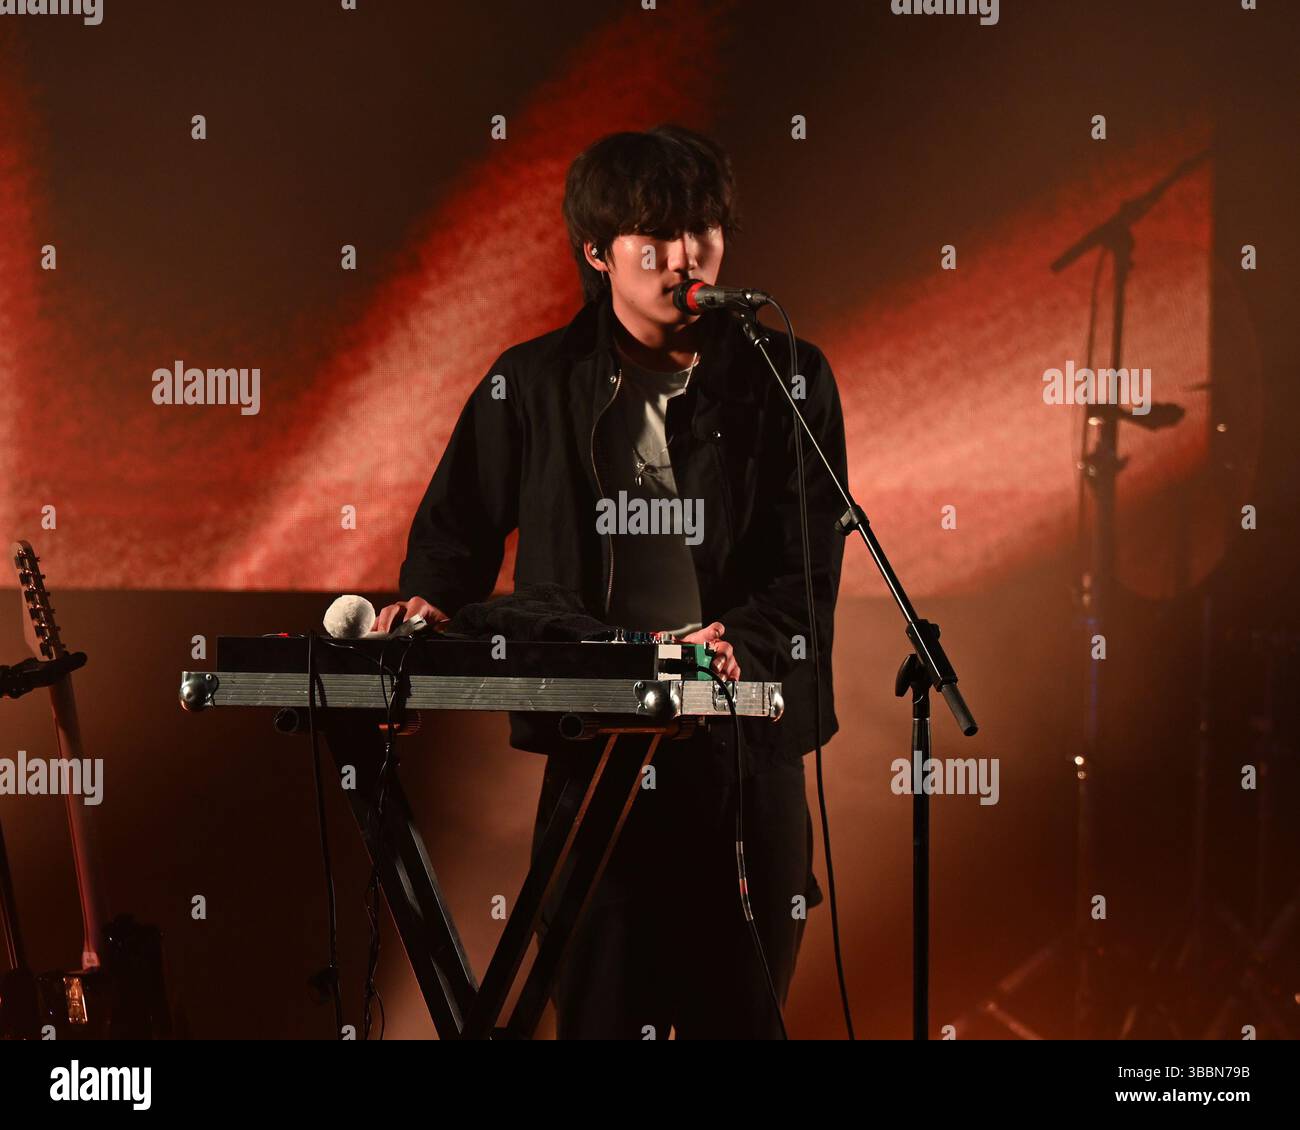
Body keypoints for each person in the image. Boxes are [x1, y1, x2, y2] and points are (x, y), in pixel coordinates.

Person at [376, 124, 847, 1038]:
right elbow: (452, 535)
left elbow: (807, 569)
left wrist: (739, 648)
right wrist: (425, 611)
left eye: (702, 229)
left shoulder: (787, 378)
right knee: (602, 1013)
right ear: (598, 252)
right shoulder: (533, 382)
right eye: (655, 238)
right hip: (599, 747)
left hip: (743, 758)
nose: (685, 257)